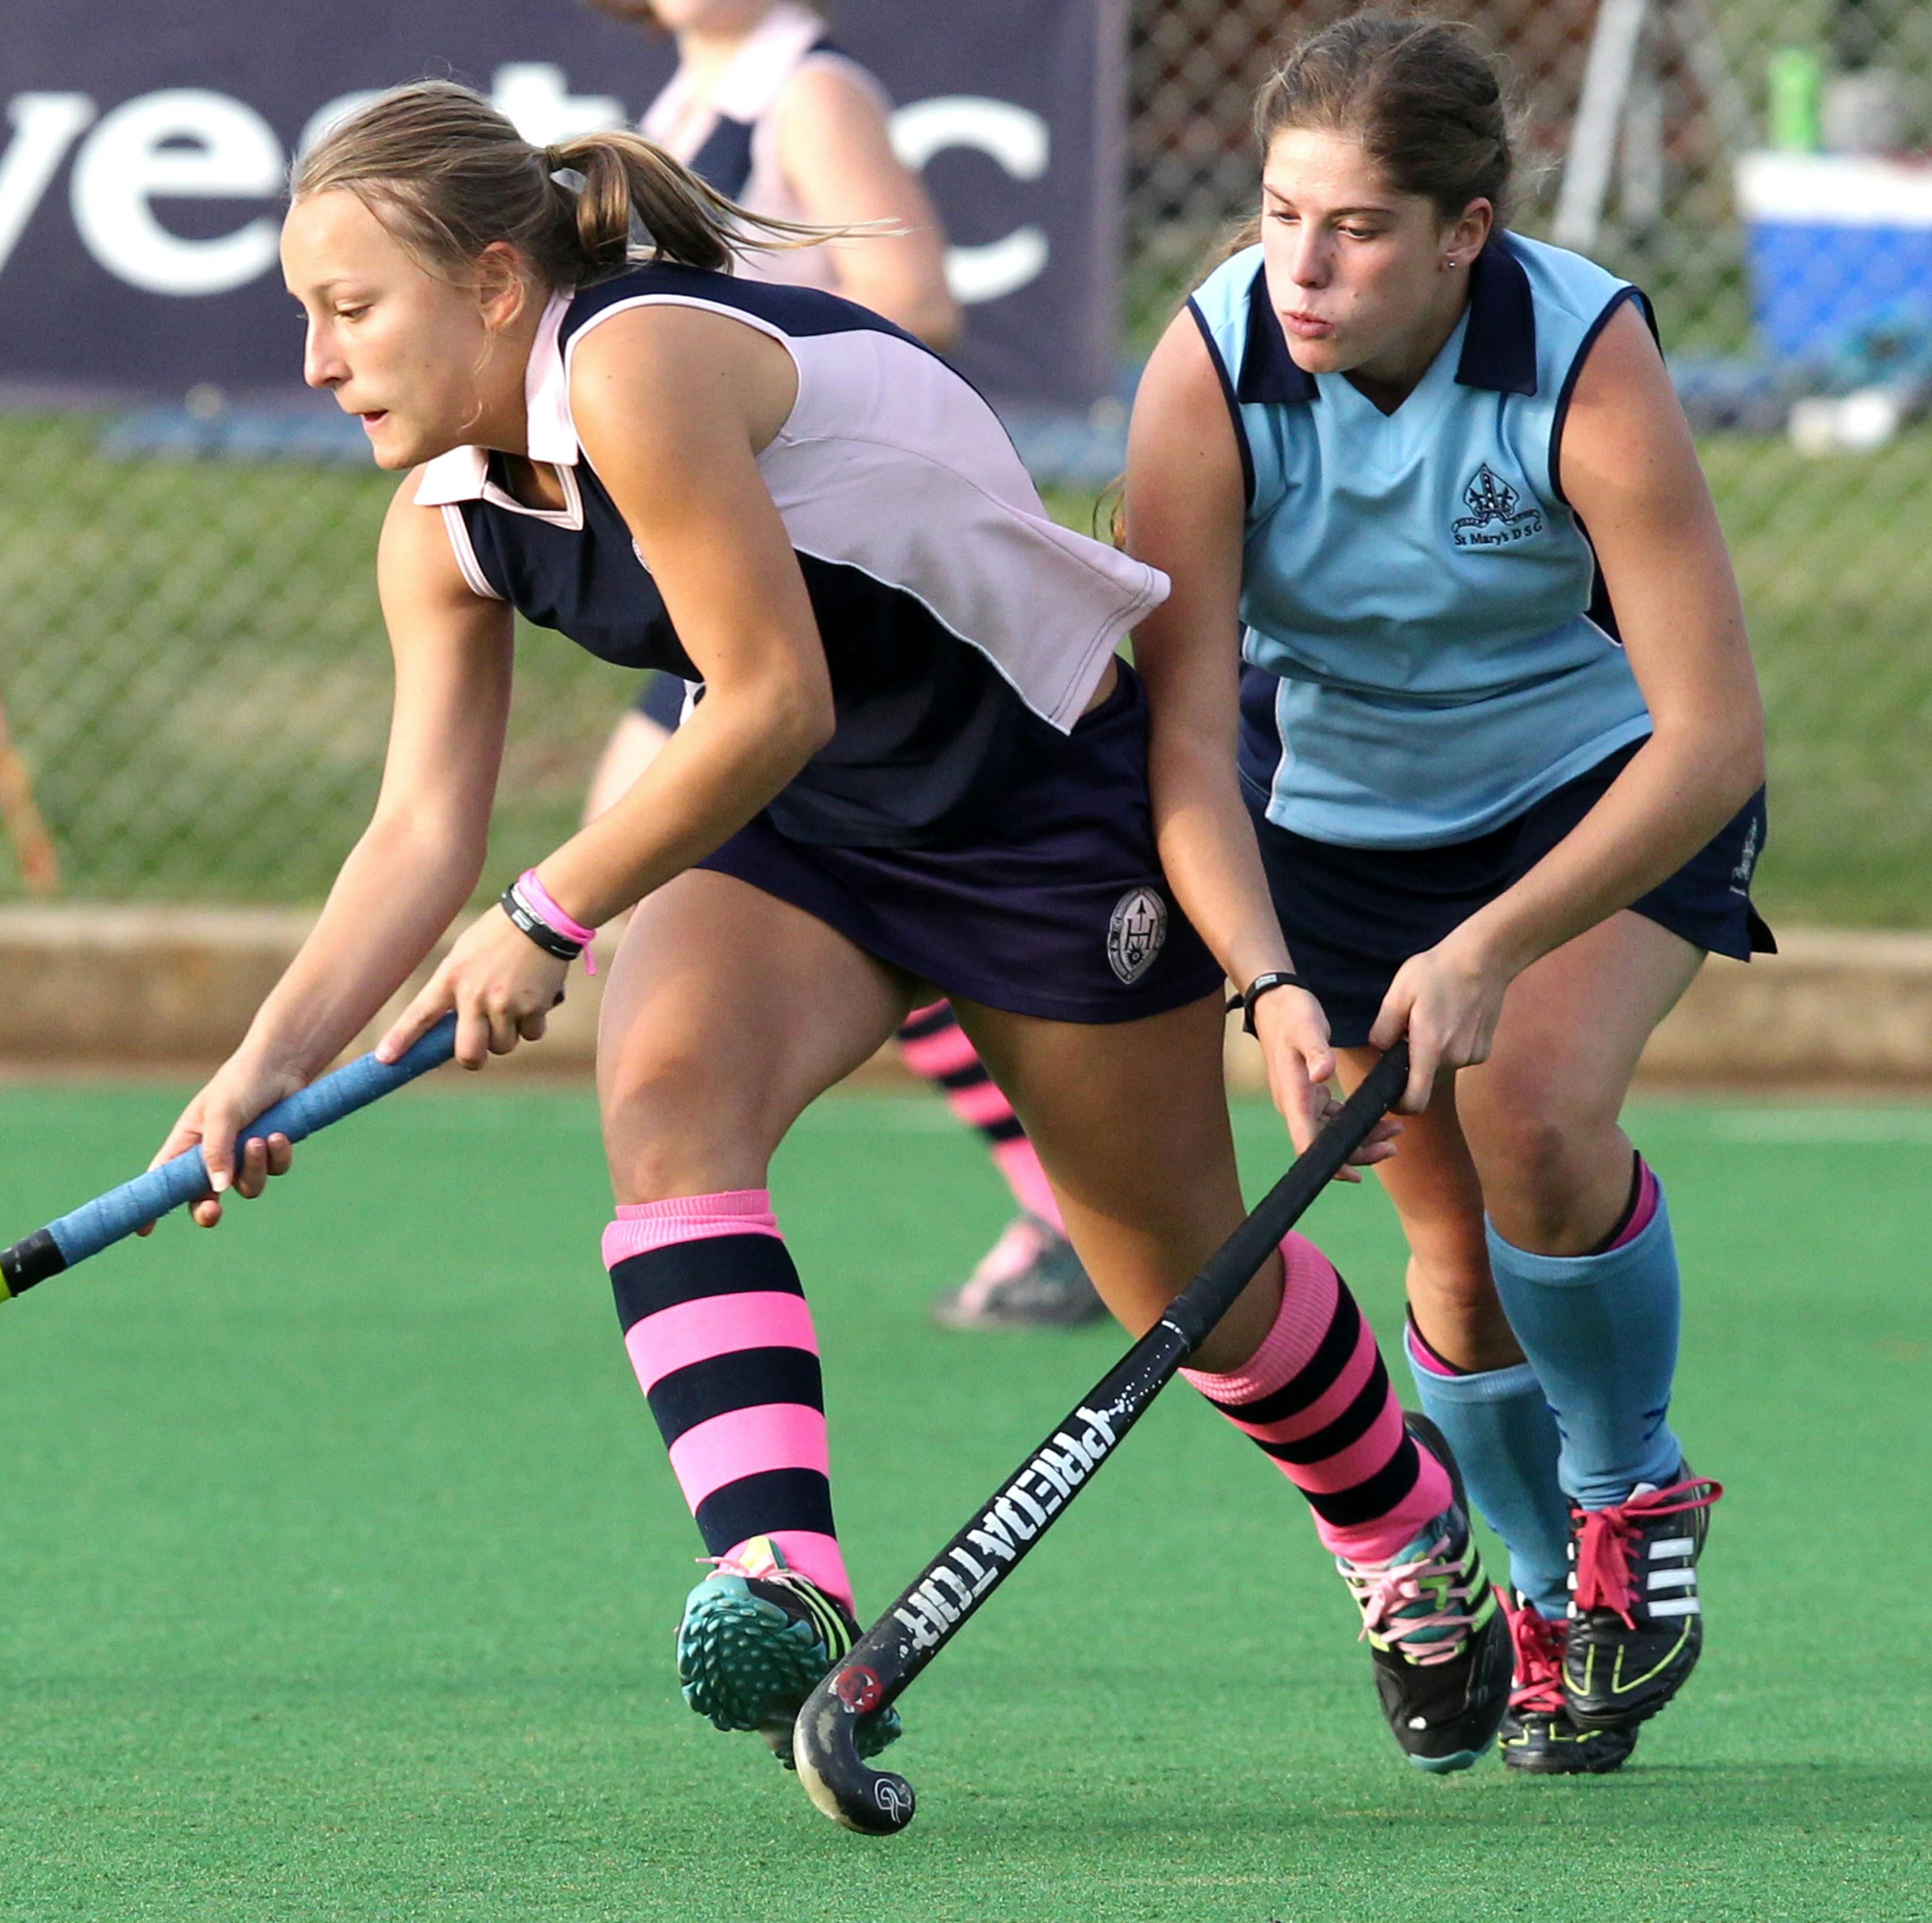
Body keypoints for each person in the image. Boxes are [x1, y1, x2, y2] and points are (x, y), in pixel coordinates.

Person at [148, 80, 1498, 1773]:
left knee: (1179, 1275)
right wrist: (261, 1068)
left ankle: (1400, 1528)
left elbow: (769, 695)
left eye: (351, 310)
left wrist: (547, 916)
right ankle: (780, 1571)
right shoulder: (445, 525)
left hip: (1044, 799)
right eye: (304, 318)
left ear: (497, 283)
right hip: (813, 825)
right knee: (668, 1101)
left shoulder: (631, 365)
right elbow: (419, 829)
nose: (317, 362)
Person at [1127, 13, 1763, 1775]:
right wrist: (1266, 986)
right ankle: (1550, 1593)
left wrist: (1489, 946)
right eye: (1278, 218)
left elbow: (1713, 734)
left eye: (1360, 229)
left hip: (1601, 791)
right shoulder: (1209, 367)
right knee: (1451, 1263)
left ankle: (1633, 1497)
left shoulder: (1581, 352)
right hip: (1334, 829)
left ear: (1465, 230)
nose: (1306, 270)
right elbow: (1180, 753)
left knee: (1539, 1120)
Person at [578, 0, 1094, 1327]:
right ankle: (1047, 1198)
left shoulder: (805, 91)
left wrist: (717, 378)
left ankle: (1063, 1201)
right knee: (637, 878)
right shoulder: (682, 111)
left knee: (657, 868)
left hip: (821, 551)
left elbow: (914, 304)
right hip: (725, 542)